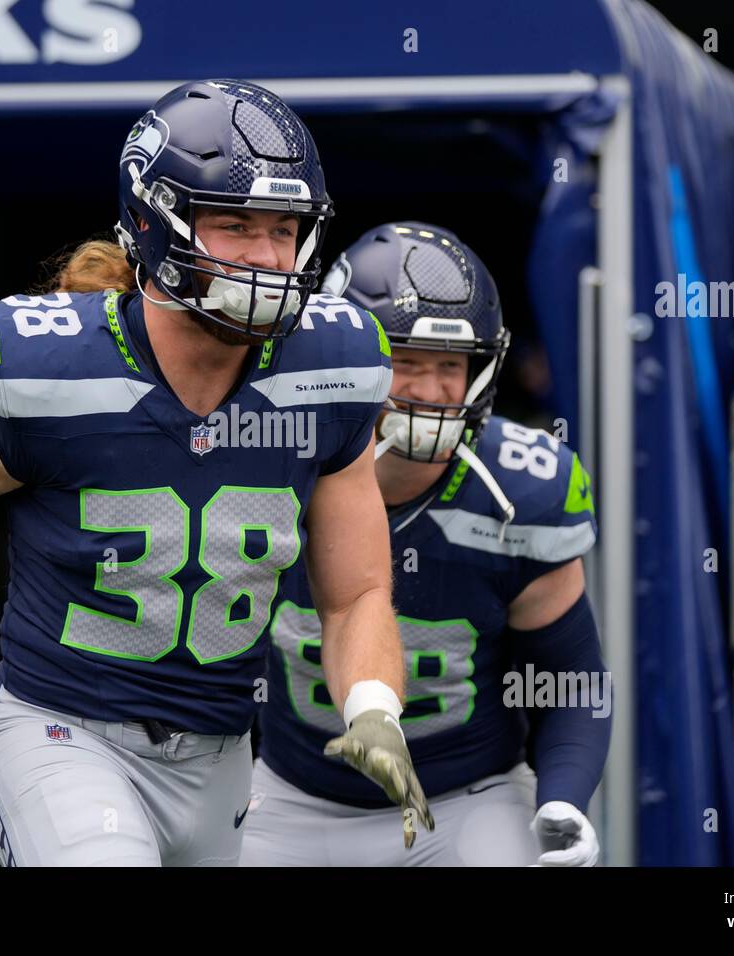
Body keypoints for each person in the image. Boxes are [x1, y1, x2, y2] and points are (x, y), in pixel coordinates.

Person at [0, 80, 433, 866]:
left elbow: (358, 588)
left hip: (221, 757)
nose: (267, 257)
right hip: (57, 732)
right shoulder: (48, 369)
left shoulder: (333, 367)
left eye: (283, 229)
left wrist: (372, 707)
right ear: (154, 221)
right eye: (236, 225)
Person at [241, 223, 609, 866]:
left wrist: (564, 799)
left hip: (467, 800)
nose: (433, 392)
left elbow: (571, 682)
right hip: (289, 797)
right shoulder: (269, 456)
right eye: (406, 361)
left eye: (451, 366)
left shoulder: (525, 495)